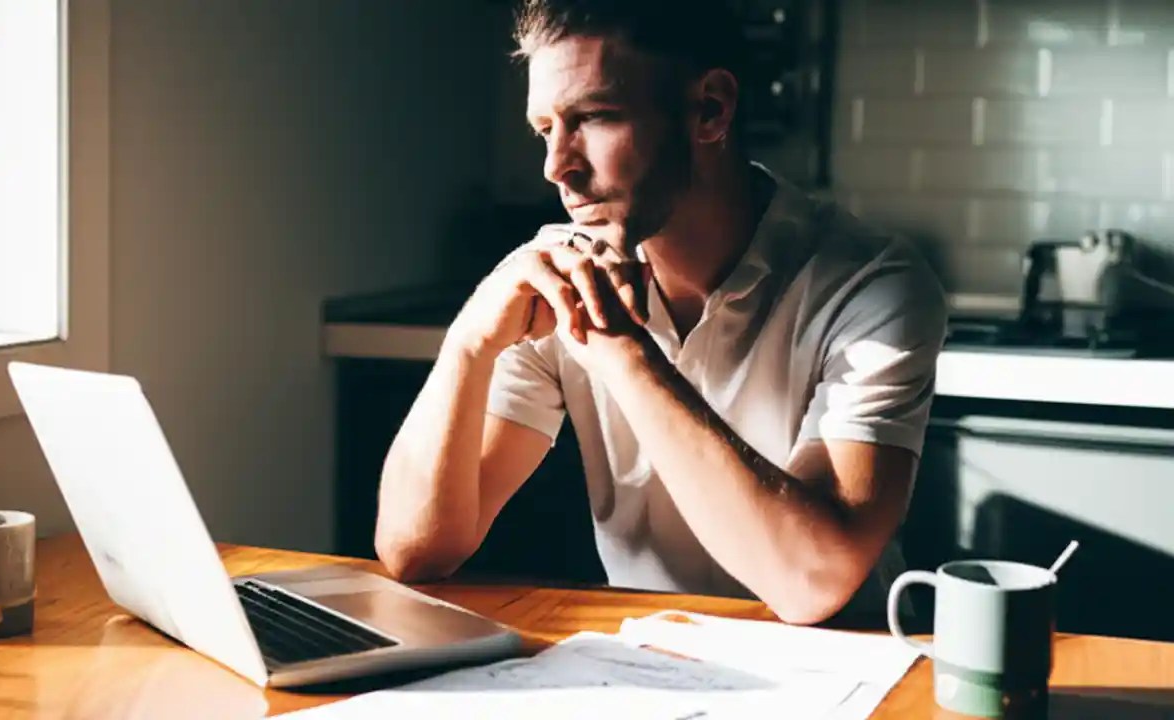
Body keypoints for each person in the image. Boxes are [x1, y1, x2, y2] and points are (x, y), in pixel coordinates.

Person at [374, 0, 947, 625]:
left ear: (710, 109)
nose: (556, 165)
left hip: (850, 680)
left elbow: (811, 583)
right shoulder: (557, 274)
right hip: (653, 670)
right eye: (546, 128)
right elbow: (415, 550)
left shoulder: (872, 284)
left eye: (593, 117)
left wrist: (624, 354)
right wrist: (467, 345)